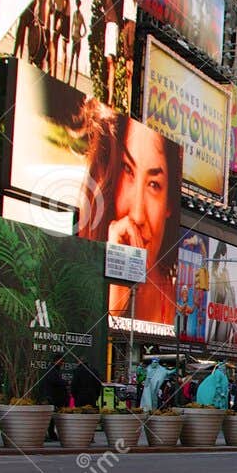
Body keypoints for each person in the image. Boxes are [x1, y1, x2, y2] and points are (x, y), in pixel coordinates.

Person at [78, 102, 180, 331]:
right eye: (128, 171)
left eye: (154, 184)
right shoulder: (73, 275)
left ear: (170, 203)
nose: (137, 214)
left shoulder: (181, 305)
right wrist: (115, 284)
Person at [70, 0, 87, 82]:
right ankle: (69, 80)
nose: (77, 5)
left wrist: (81, 36)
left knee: (76, 59)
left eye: (78, 3)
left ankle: (75, 82)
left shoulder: (81, 16)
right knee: (72, 59)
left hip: (78, 39)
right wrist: (71, 34)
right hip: (74, 38)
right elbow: (72, 25)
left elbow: (85, 30)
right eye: (77, 3)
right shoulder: (74, 14)